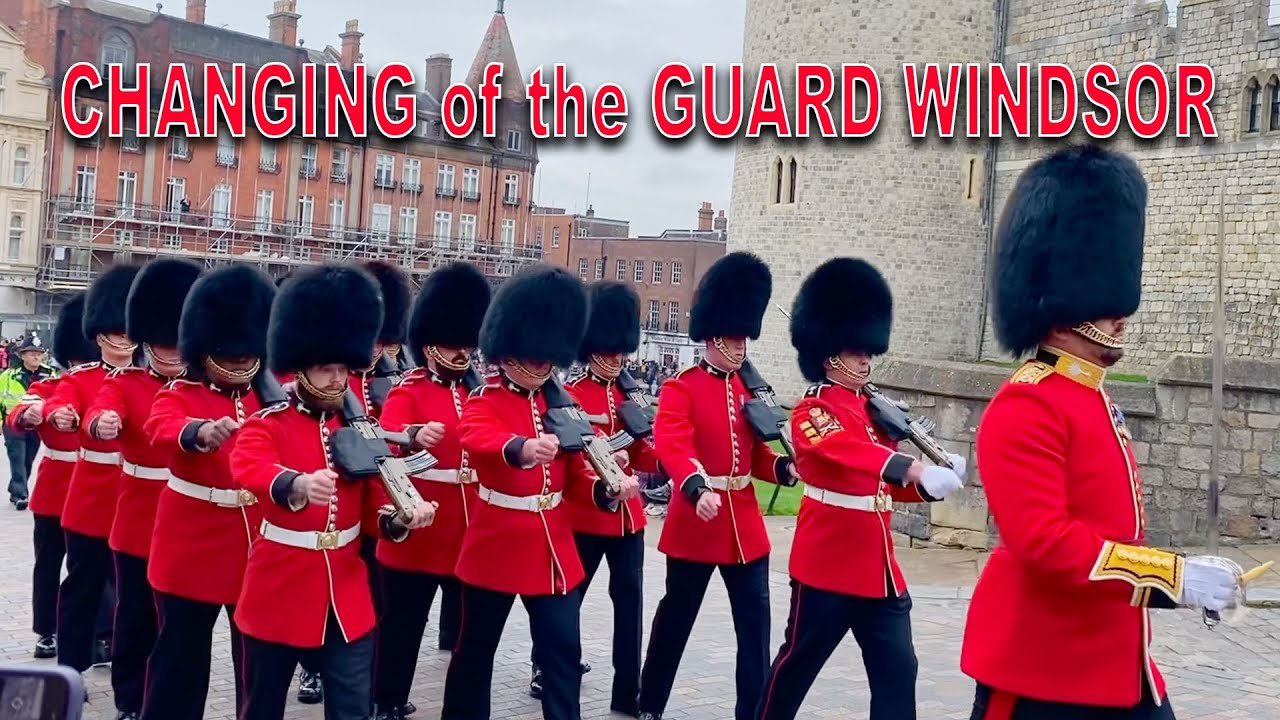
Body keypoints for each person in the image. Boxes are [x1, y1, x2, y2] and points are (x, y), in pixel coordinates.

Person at [961, 144, 1246, 720]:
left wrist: (1182, 578)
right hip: (1043, 669)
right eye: (1103, 302)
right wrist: (1172, 577)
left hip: (1117, 661)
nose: (1121, 315)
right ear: (1061, 307)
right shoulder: (1027, 404)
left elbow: (1112, 530)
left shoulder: (1090, 396)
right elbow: (1045, 542)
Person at [755, 257, 966, 720]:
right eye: (857, 352)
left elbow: (879, 487)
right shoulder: (812, 409)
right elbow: (845, 451)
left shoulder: (874, 412)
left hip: (878, 571)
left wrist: (932, 487)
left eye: (868, 351)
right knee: (795, 668)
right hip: (827, 568)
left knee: (899, 672)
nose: (867, 359)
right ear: (830, 354)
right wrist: (913, 468)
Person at [230, 263, 436, 720]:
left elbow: (375, 499)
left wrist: (399, 518)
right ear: (302, 367)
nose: (337, 380)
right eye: (326, 369)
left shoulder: (359, 428)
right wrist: (297, 483)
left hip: (345, 591)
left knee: (351, 708)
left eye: (342, 369)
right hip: (279, 588)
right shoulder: (269, 423)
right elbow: (248, 466)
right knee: (262, 706)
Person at [440, 263, 639, 720]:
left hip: (552, 548)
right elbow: (476, 435)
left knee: (563, 653)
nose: (542, 364)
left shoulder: (562, 405)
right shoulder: (485, 399)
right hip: (497, 544)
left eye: (548, 356)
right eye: (534, 356)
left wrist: (609, 490)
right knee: (474, 653)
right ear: (510, 352)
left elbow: (576, 474)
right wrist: (522, 448)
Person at [636, 251, 799, 720]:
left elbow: (754, 456)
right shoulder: (682, 387)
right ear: (713, 337)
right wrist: (696, 488)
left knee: (755, 629)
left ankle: (752, 712)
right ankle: (650, 704)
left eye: (744, 337)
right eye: (733, 337)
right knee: (676, 618)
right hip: (697, 521)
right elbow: (673, 444)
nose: (741, 345)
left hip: (744, 525)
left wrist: (784, 470)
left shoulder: (750, 389)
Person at [139, 265, 277, 720]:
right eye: (228, 354)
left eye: (246, 353)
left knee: (256, 666)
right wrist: (198, 433)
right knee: (180, 659)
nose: (238, 361)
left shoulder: (271, 399)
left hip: (254, 544)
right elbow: (162, 427)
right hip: (191, 545)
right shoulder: (178, 393)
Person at [372, 261, 491, 720]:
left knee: (467, 634)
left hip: (466, 531)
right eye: (452, 343)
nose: (461, 352)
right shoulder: (410, 389)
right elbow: (387, 435)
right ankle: (387, 702)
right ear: (429, 345)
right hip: (421, 530)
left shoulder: (479, 393)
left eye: (465, 344)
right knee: (401, 626)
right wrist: (413, 435)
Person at [84, 259, 202, 720]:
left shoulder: (202, 390)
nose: (170, 353)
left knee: (178, 626)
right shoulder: (126, 382)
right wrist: (102, 423)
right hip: (138, 518)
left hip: (189, 523)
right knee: (134, 617)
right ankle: (130, 700)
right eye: (162, 344)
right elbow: (101, 411)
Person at [533, 279, 657, 716]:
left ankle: (627, 690)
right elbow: (567, 452)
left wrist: (657, 445)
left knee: (630, 606)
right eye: (610, 349)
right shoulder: (571, 394)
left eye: (621, 350)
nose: (617, 358)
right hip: (585, 514)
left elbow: (647, 451)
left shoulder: (630, 392)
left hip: (628, 517)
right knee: (567, 602)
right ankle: (545, 667)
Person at [47, 263, 141, 676]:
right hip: (91, 501)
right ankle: (70, 671)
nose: (123, 339)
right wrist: (61, 416)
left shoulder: (150, 381)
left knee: (134, 598)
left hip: (136, 502)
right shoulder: (81, 378)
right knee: (81, 588)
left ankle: (129, 681)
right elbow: (59, 403)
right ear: (99, 336)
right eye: (115, 332)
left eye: (128, 331)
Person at [11, 296, 113, 661]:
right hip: (56, 491)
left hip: (97, 492)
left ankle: (102, 632)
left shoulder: (110, 387)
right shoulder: (49, 387)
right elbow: (20, 413)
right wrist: (29, 415)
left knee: (98, 570)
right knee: (49, 564)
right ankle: (46, 630)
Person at [1, 332, 57, 509]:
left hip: (37, 425)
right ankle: (21, 495)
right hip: (13, 424)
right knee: (17, 458)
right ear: (23, 355)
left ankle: (16, 487)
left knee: (28, 460)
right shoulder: (9, 375)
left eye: (39, 353)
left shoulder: (51, 375)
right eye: (32, 353)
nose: (36, 357)